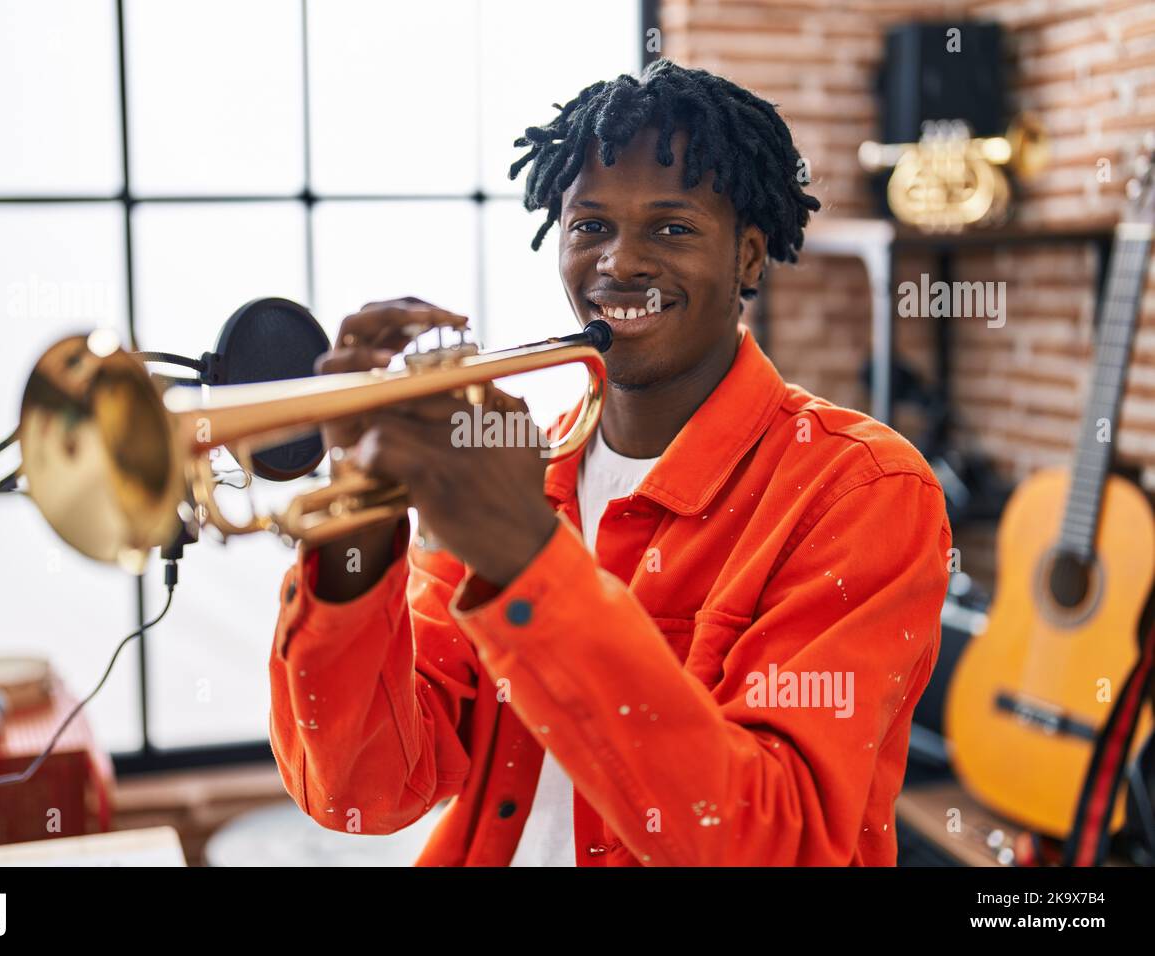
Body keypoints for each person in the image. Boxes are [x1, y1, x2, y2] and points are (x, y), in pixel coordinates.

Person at [267, 59, 951, 866]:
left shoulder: (863, 490)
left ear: (750, 260)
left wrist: (526, 556)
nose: (619, 264)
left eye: (672, 228)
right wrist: (362, 529)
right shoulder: (521, 469)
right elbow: (364, 795)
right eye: (590, 225)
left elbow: (775, 841)